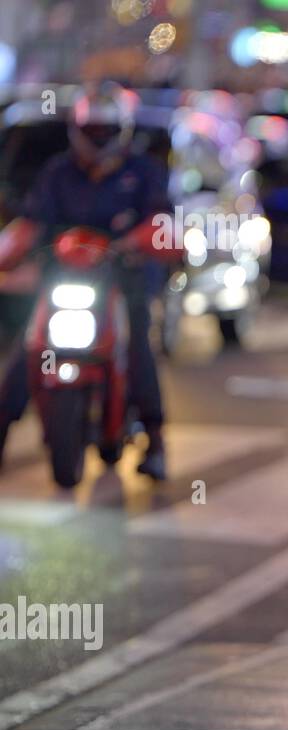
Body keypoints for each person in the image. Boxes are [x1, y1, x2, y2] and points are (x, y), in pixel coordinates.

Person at [0, 82, 178, 479]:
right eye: (91, 130)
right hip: (63, 280)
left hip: (124, 281)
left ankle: (155, 438)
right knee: (28, 349)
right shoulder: (58, 172)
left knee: (137, 346)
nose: (97, 139)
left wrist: (137, 242)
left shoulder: (143, 173)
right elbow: (30, 223)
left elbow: (162, 223)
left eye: (106, 131)